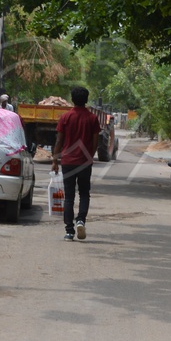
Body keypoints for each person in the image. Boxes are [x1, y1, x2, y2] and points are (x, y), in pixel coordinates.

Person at [52, 86, 101, 241]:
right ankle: (81, 220)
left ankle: (69, 231)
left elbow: (59, 141)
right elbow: (95, 142)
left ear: (72, 99)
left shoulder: (65, 117)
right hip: (84, 162)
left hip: (67, 161)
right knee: (84, 193)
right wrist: (89, 157)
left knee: (69, 197)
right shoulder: (92, 119)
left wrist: (55, 160)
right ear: (86, 100)